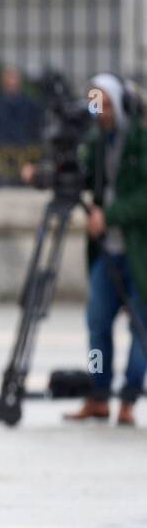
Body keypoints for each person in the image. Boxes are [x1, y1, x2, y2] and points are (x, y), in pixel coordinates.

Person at [59, 73, 147, 426]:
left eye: (108, 104)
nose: (103, 112)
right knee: (97, 322)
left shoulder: (140, 143)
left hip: (140, 254)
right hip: (106, 253)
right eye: (97, 104)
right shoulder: (94, 143)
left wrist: (109, 215)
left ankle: (128, 396)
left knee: (141, 327)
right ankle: (98, 393)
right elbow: (80, 177)